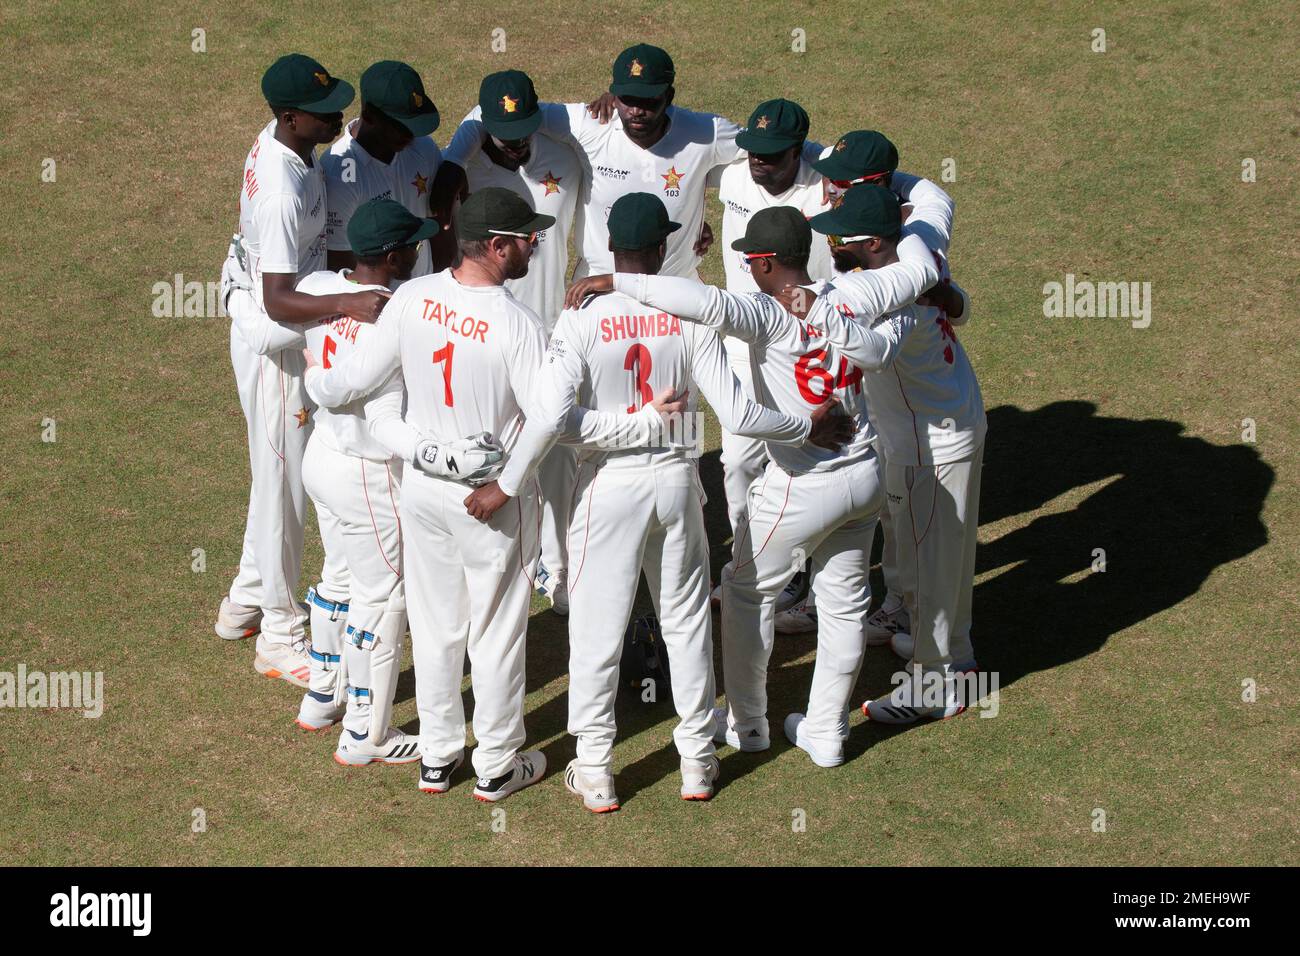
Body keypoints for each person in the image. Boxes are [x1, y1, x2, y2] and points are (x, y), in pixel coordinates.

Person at [466, 193, 852, 807]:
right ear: (661, 245)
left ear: (611, 247)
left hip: (608, 489)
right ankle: (698, 759)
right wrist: (804, 427)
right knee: (686, 622)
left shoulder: (581, 314)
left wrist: (514, 480)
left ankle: (594, 769)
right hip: (676, 483)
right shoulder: (685, 311)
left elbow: (553, 419)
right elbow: (739, 416)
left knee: (597, 629)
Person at [304, 188, 670, 799]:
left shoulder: (413, 299)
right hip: (491, 503)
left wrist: (320, 385)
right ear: (496, 247)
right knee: (497, 630)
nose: (536, 243)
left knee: (437, 622)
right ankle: (497, 764)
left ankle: (440, 757)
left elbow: (359, 387)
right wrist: (641, 425)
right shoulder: (517, 323)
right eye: (528, 237)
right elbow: (553, 420)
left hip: (423, 493)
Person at [567, 201, 939, 764]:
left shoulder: (765, 314)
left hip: (800, 483)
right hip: (865, 477)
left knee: (743, 594)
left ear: (765, 263)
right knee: (843, 607)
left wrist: (608, 279)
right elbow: (922, 271)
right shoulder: (853, 297)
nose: (744, 268)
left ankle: (750, 725)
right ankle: (829, 733)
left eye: (749, 260)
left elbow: (696, 300)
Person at [215, 53, 388, 691]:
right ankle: (281, 633)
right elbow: (280, 299)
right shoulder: (285, 187)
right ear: (290, 118)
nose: (336, 116)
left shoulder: (289, 151)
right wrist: (347, 302)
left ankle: (245, 598)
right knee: (284, 485)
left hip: (279, 330)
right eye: (324, 112)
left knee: (276, 475)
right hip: (276, 345)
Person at [799, 183, 982, 723]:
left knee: (932, 566)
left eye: (840, 239)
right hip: (943, 422)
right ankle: (957, 662)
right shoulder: (913, 258)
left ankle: (936, 684)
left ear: (874, 242)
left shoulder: (893, 290)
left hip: (931, 442)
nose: (831, 245)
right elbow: (960, 303)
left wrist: (820, 314)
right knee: (942, 560)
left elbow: (875, 354)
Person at [296, 199, 449, 766]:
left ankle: (321, 697)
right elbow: (352, 385)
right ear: (392, 256)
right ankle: (366, 734)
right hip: (367, 472)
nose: (419, 251)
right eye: (412, 245)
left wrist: (314, 380)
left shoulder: (318, 284)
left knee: (337, 576)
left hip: (321, 456)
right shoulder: (397, 312)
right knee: (383, 599)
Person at [450, 70, 585, 613]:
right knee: (484, 438)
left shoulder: (567, 157)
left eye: (525, 126)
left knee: (554, 452)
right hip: (484, 330)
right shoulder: (464, 167)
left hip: (550, 327)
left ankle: (558, 564)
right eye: (504, 130)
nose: (517, 139)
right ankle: (486, 554)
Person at [714, 97, 834, 621]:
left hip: (805, 349)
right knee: (739, 461)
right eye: (753, 152)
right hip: (742, 345)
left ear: (798, 150)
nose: (758, 162)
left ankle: (803, 578)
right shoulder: (735, 175)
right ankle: (753, 563)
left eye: (772, 154)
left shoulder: (826, 188)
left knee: (810, 458)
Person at [322, 60, 447, 278]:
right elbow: (339, 262)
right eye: (400, 126)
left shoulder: (424, 147)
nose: (411, 135)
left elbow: (440, 228)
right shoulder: (340, 174)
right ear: (369, 115)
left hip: (425, 297)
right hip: (376, 305)